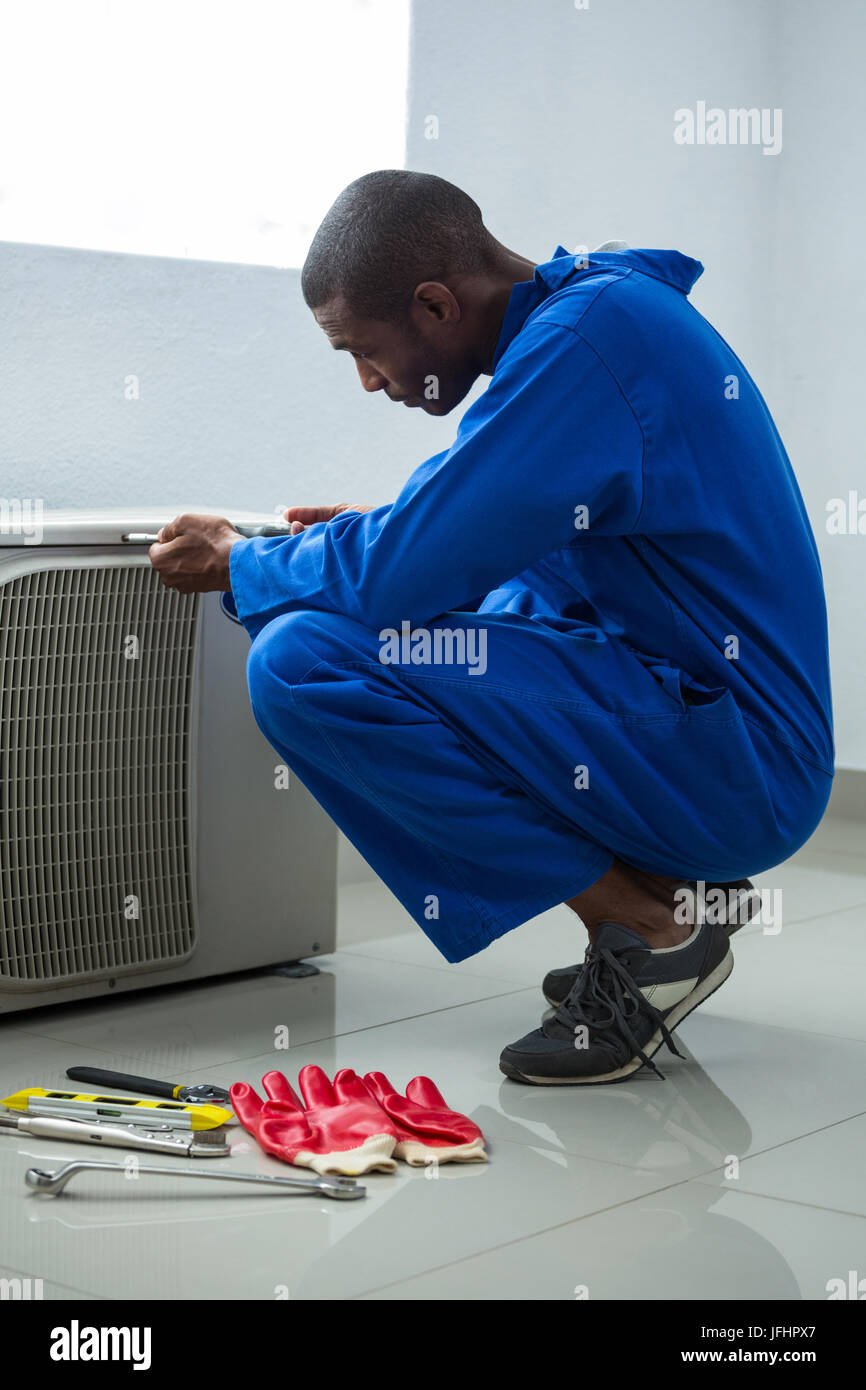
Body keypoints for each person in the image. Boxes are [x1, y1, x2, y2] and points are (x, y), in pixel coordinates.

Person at [149, 169, 834, 1086]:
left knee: (304, 661)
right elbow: (526, 574)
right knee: (396, 615)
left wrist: (242, 560)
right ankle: (662, 899)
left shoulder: (586, 343)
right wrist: (400, 543)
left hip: (741, 762)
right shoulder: (594, 318)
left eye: (361, 349)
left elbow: (402, 573)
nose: (364, 381)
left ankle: (652, 927)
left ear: (434, 303)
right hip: (709, 735)